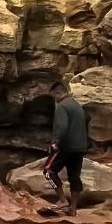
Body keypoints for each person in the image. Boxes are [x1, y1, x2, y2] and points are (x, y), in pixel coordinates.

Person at [43, 81, 90, 216]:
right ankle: (73, 209)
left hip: (66, 147)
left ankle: (62, 200)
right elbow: (88, 118)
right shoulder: (76, 105)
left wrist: (56, 142)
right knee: (74, 177)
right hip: (80, 147)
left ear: (59, 93)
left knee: (48, 172)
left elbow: (62, 127)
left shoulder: (62, 106)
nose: (55, 100)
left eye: (54, 97)